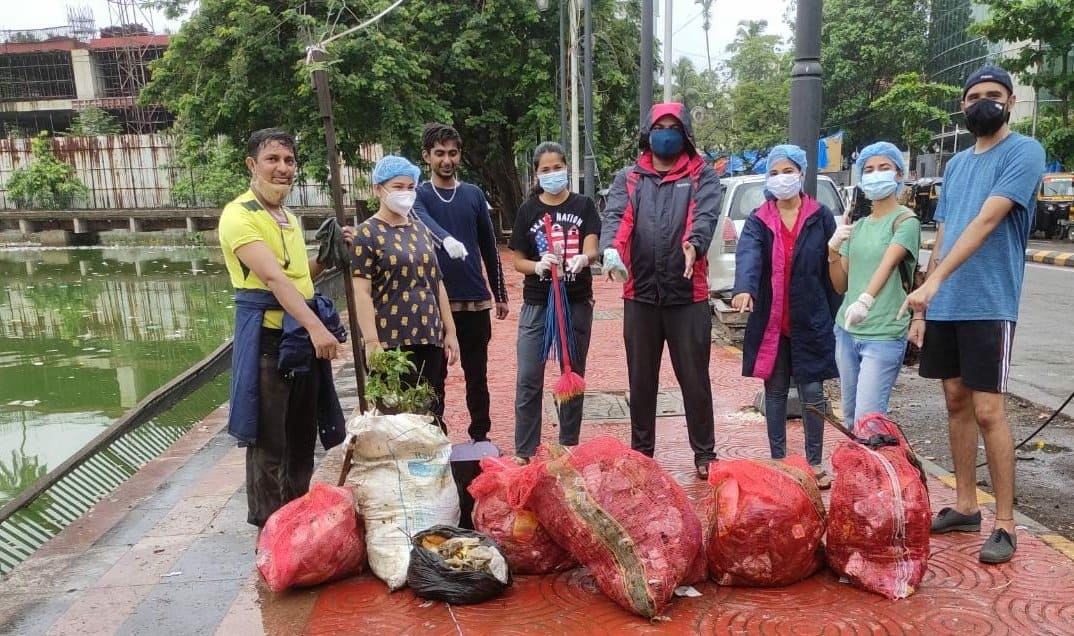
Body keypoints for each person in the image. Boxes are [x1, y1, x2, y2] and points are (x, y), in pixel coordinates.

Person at [901, 65, 1045, 564]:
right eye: (973, 96)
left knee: (989, 410)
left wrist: (936, 283)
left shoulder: (1024, 152)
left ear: (1009, 102)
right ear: (962, 106)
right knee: (956, 400)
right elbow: (944, 232)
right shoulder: (958, 165)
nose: (982, 103)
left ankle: (1005, 524)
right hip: (947, 304)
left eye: (993, 95)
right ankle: (965, 505)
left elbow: (986, 221)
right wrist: (926, 296)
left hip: (990, 302)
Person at [218, 128, 348, 531]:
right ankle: (270, 528)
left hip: (299, 340)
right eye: (273, 160)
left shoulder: (288, 218)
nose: (282, 168)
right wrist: (317, 329)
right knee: (268, 441)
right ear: (252, 165)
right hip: (269, 341)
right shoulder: (239, 215)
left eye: (289, 161)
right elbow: (274, 281)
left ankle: (299, 519)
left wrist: (325, 259)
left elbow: (299, 278)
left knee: (300, 435)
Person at [600, 102, 721, 480]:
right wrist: (610, 251)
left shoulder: (702, 174)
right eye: (659, 126)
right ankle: (642, 453)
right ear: (648, 132)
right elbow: (618, 216)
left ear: (684, 133)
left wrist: (694, 244)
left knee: (695, 380)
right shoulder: (630, 177)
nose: (665, 132)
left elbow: (703, 215)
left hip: (688, 295)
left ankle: (704, 452)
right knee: (641, 380)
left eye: (673, 126)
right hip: (640, 295)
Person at [731, 144, 841, 489]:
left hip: (812, 317)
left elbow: (831, 266)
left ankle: (814, 461)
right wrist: (744, 288)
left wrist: (831, 311)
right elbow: (748, 255)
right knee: (775, 391)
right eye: (774, 173)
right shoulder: (759, 219)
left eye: (788, 171)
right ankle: (779, 459)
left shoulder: (820, 215)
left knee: (813, 392)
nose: (782, 179)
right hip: (772, 320)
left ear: (801, 173)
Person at [412, 123, 509, 442]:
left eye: (452, 153)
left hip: (474, 301)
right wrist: (446, 239)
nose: (446, 160)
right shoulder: (418, 195)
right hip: (435, 303)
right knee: (434, 377)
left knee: (477, 377)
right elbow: (422, 222)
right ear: (427, 156)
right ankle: (435, 436)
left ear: (460, 156)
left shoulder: (473, 194)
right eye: (439, 153)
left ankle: (480, 436)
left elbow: (488, 244)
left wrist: (500, 293)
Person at [351, 155, 461, 430]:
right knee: (395, 417)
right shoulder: (366, 234)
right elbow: (361, 292)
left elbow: (437, 283)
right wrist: (372, 342)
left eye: (411, 187)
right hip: (391, 341)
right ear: (378, 189)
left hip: (428, 336)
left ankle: (431, 470)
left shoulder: (421, 230)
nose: (406, 193)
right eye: (398, 187)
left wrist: (450, 331)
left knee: (431, 411)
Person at [510, 142, 601, 462]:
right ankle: (524, 450)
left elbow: (592, 245)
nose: (552, 174)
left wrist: (582, 259)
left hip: (576, 302)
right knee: (528, 377)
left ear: (567, 168)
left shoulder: (584, 205)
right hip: (538, 303)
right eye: (545, 170)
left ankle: (568, 446)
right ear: (537, 174)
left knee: (572, 375)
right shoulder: (529, 210)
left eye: (557, 168)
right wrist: (536, 266)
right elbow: (517, 259)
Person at [828, 141, 921, 427]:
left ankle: (876, 471)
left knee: (869, 420)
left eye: (884, 168)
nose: (875, 174)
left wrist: (866, 300)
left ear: (898, 174)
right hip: (847, 330)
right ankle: (856, 472)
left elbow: (888, 263)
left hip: (882, 333)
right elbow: (841, 285)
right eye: (868, 169)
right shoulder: (859, 226)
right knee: (850, 417)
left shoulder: (905, 221)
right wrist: (832, 250)